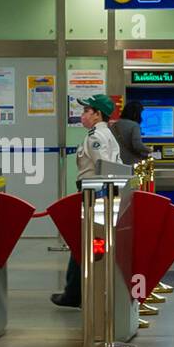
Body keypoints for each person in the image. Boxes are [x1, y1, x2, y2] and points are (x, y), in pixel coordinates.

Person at [51, 94, 121, 308]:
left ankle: (73, 293)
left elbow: (105, 167)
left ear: (97, 114)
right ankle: (78, 291)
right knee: (86, 242)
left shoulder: (95, 137)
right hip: (101, 193)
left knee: (81, 242)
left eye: (86, 111)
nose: (82, 116)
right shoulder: (108, 134)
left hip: (93, 193)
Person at [110, 100, 153, 167]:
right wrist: (150, 149)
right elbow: (137, 145)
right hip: (131, 164)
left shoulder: (114, 125)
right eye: (140, 113)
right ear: (135, 113)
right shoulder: (134, 125)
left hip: (116, 163)